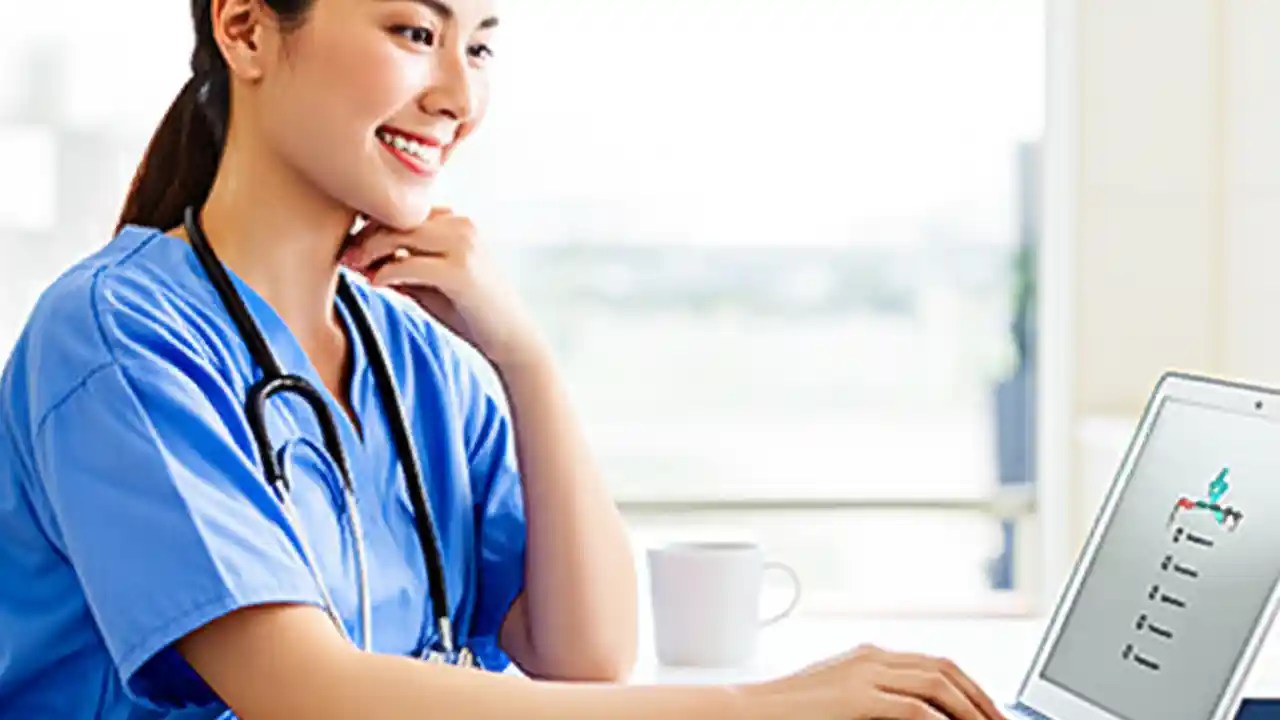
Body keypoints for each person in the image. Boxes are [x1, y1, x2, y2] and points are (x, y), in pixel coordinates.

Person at [0, 0, 1008, 718]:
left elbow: (584, 655)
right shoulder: (117, 337)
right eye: (414, 33)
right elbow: (306, 692)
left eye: (480, 47)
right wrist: (766, 708)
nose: (456, 95)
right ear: (246, 28)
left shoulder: (415, 353)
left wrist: (524, 362)